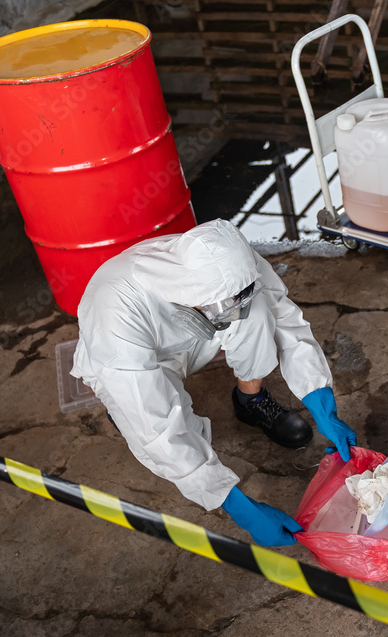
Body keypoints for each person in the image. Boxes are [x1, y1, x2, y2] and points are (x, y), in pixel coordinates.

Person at [71, 219, 357, 547]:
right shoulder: (115, 310)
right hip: (134, 363)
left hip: (193, 333)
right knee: (164, 426)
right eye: (224, 306)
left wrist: (322, 404)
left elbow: (286, 321)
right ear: (187, 292)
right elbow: (158, 430)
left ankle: (251, 399)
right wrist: (237, 506)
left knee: (259, 311)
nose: (236, 311)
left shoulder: (231, 261)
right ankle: (117, 405)